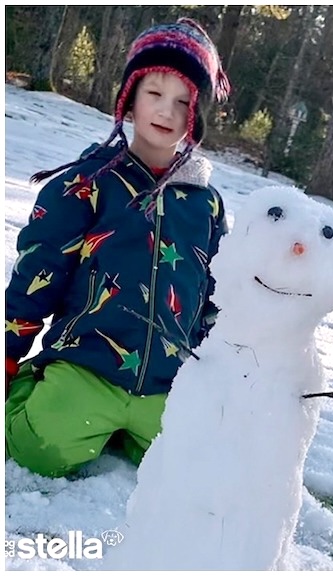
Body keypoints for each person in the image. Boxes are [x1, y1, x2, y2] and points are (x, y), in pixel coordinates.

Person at [5, 18, 231, 478]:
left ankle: (126, 427)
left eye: (183, 102)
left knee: (190, 467)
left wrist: (217, 371)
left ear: (197, 114)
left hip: (166, 383)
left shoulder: (204, 204)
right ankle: (36, 392)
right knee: (41, 449)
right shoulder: (88, 183)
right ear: (131, 95)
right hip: (88, 364)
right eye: (155, 93)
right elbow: (40, 268)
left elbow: (216, 293)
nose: (167, 112)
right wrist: (11, 348)